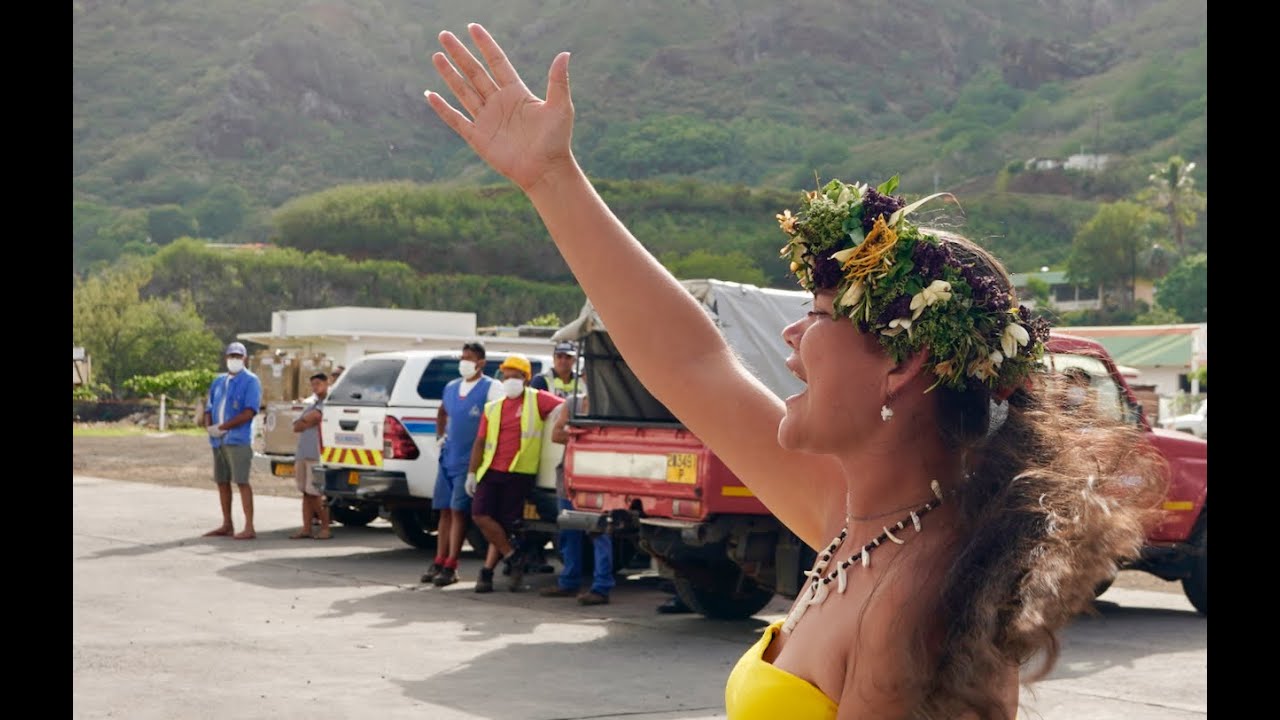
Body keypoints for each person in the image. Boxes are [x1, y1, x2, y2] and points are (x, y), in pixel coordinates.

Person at [424, 25, 1167, 718]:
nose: (789, 335)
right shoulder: (861, 522)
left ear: (902, 365)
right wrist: (552, 179)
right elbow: (693, 362)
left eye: (817, 316)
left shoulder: (918, 603)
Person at [465, 353, 564, 593]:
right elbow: (480, 442)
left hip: (519, 473)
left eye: (516, 377)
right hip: (491, 471)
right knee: (480, 516)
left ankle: (487, 573)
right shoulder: (493, 408)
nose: (510, 381)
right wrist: (472, 472)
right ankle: (514, 556)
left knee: (503, 523)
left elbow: (564, 407)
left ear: (526, 379)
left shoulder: (537, 399)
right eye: (506, 376)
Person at [422, 342, 504, 586]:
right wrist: (440, 437)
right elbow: (442, 413)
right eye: (462, 357)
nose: (464, 362)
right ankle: (439, 559)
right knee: (444, 511)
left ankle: (451, 565)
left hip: (469, 461)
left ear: (481, 363)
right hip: (449, 457)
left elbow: (495, 424)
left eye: (469, 358)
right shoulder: (452, 387)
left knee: (459, 512)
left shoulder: (491, 388)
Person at [538, 393, 612, 605]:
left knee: (600, 532)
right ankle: (569, 582)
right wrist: (588, 436)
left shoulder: (612, 403)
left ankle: (601, 587)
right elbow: (556, 434)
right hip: (570, 477)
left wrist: (576, 434)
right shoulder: (573, 403)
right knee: (569, 531)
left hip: (598, 479)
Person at [199, 342, 264, 540]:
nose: (234, 359)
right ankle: (227, 523)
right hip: (218, 441)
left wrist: (223, 427)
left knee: (242, 481)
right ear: (226, 357)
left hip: (237, 439)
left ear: (244, 359)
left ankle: (249, 526)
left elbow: (249, 411)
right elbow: (209, 407)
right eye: (231, 356)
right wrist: (210, 426)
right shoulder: (219, 381)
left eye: (238, 356)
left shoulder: (251, 381)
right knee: (222, 481)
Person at [289, 373, 331, 540]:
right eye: (313, 384)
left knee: (315, 493)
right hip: (303, 452)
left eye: (318, 383)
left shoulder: (328, 403)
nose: (315, 387)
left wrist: (304, 421)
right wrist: (304, 421)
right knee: (306, 493)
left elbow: (315, 418)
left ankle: (325, 527)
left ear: (327, 383)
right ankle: (306, 528)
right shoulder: (312, 404)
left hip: (316, 453)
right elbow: (297, 426)